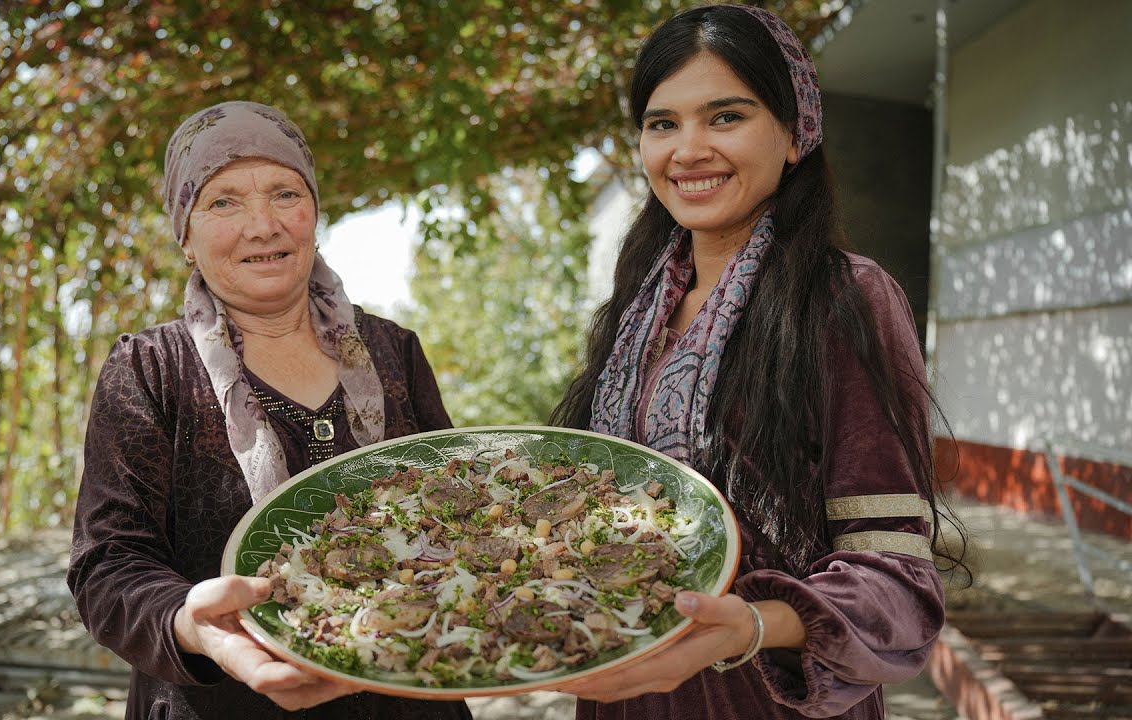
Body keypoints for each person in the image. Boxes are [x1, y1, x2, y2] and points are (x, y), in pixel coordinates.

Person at [550, 5, 965, 719]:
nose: (688, 150)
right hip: (626, 687)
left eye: (726, 117)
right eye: (662, 123)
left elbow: (896, 577)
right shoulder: (635, 309)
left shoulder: (844, 298)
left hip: (761, 693)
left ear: (795, 132)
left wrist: (746, 628)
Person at [67, 101, 472, 720]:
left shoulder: (392, 351)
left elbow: (456, 507)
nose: (263, 226)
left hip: (408, 695)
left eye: (285, 193)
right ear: (185, 233)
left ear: (313, 212)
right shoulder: (151, 369)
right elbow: (108, 564)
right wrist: (192, 625)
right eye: (224, 201)